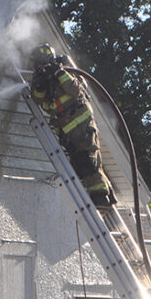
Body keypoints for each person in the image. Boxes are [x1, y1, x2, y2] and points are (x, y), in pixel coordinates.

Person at [29, 43, 115, 210]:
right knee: (81, 162)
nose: (40, 68)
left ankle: (101, 198)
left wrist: (58, 72)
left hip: (81, 121)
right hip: (67, 127)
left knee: (87, 160)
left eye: (42, 64)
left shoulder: (64, 71)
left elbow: (75, 90)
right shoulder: (41, 78)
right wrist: (40, 84)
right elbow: (39, 99)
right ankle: (105, 195)